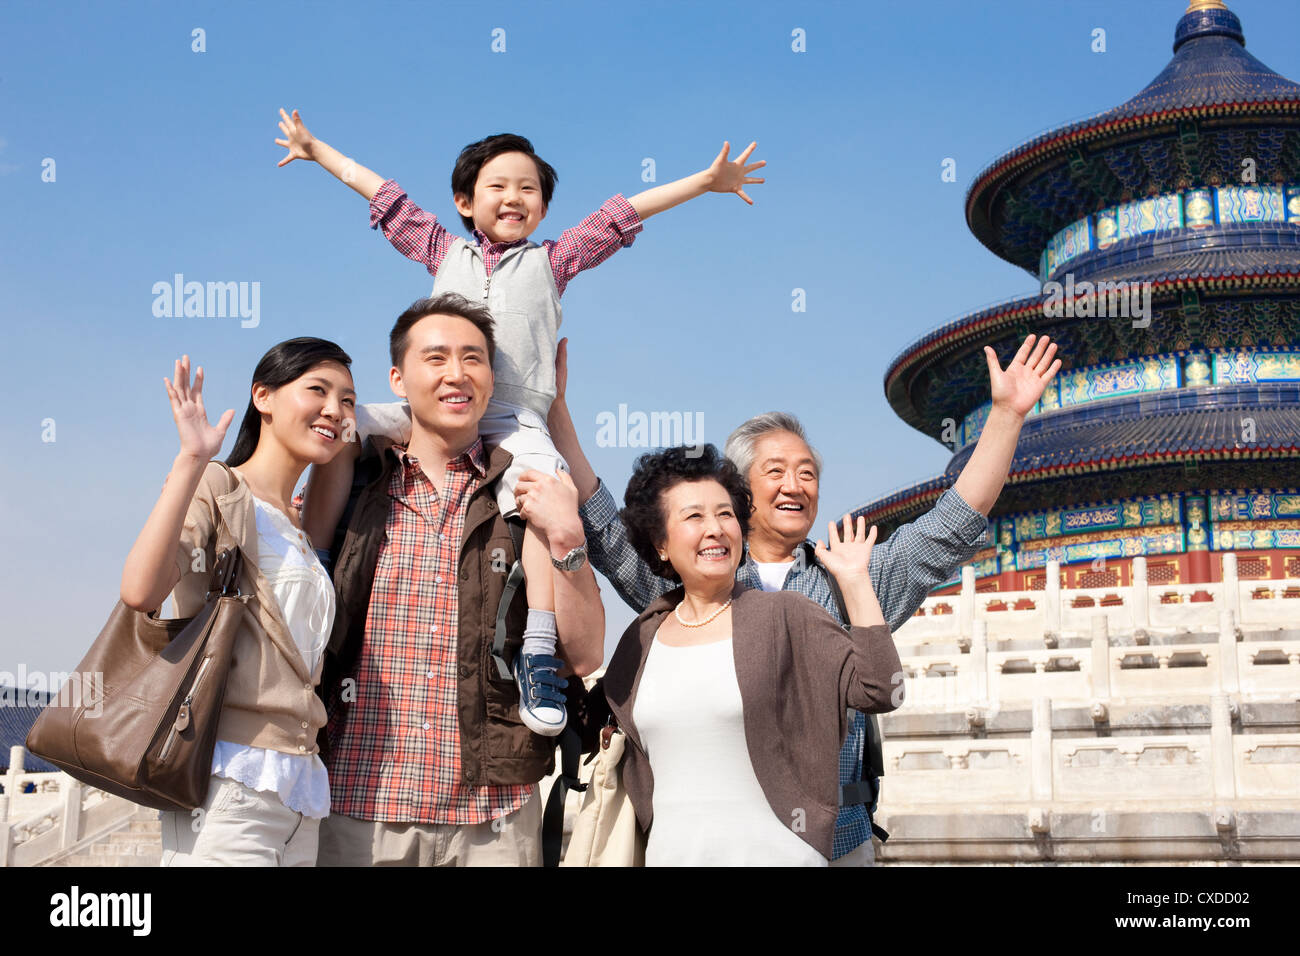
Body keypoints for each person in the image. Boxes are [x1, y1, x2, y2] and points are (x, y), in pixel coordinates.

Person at [275, 109, 763, 735]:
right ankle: (310, 560)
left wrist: (704, 181)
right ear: (463, 201)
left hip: (513, 416)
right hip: (432, 410)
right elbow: (384, 196)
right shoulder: (439, 249)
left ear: (542, 207)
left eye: (528, 189)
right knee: (339, 422)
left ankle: (536, 645)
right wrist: (317, 150)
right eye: (497, 186)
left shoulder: (553, 262)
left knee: (544, 496)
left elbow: (622, 214)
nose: (513, 197)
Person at [548, 332, 1063, 865]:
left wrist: (1005, 416)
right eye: (775, 472)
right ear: (738, 489)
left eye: (807, 473)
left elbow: (951, 523)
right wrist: (558, 413)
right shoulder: (687, 583)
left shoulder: (851, 573)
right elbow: (608, 527)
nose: (795, 484)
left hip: (835, 842)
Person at [305, 294, 605, 867]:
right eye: (436, 357)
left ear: (492, 380)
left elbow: (586, 653)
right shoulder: (354, 490)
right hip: (357, 807)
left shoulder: (528, 494)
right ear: (397, 378)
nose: (456, 373)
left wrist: (567, 538)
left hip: (493, 818)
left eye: (473, 358)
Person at [598, 443, 901, 865]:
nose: (716, 529)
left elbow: (882, 689)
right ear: (661, 544)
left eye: (726, 514)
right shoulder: (642, 638)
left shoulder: (788, 615)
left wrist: (855, 581)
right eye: (694, 516)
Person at [119, 342, 357, 866]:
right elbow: (140, 590)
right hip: (230, 784)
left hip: (300, 793)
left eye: (348, 400)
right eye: (317, 390)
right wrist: (190, 460)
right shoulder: (221, 488)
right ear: (263, 396)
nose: (335, 411)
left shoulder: (299, 523)